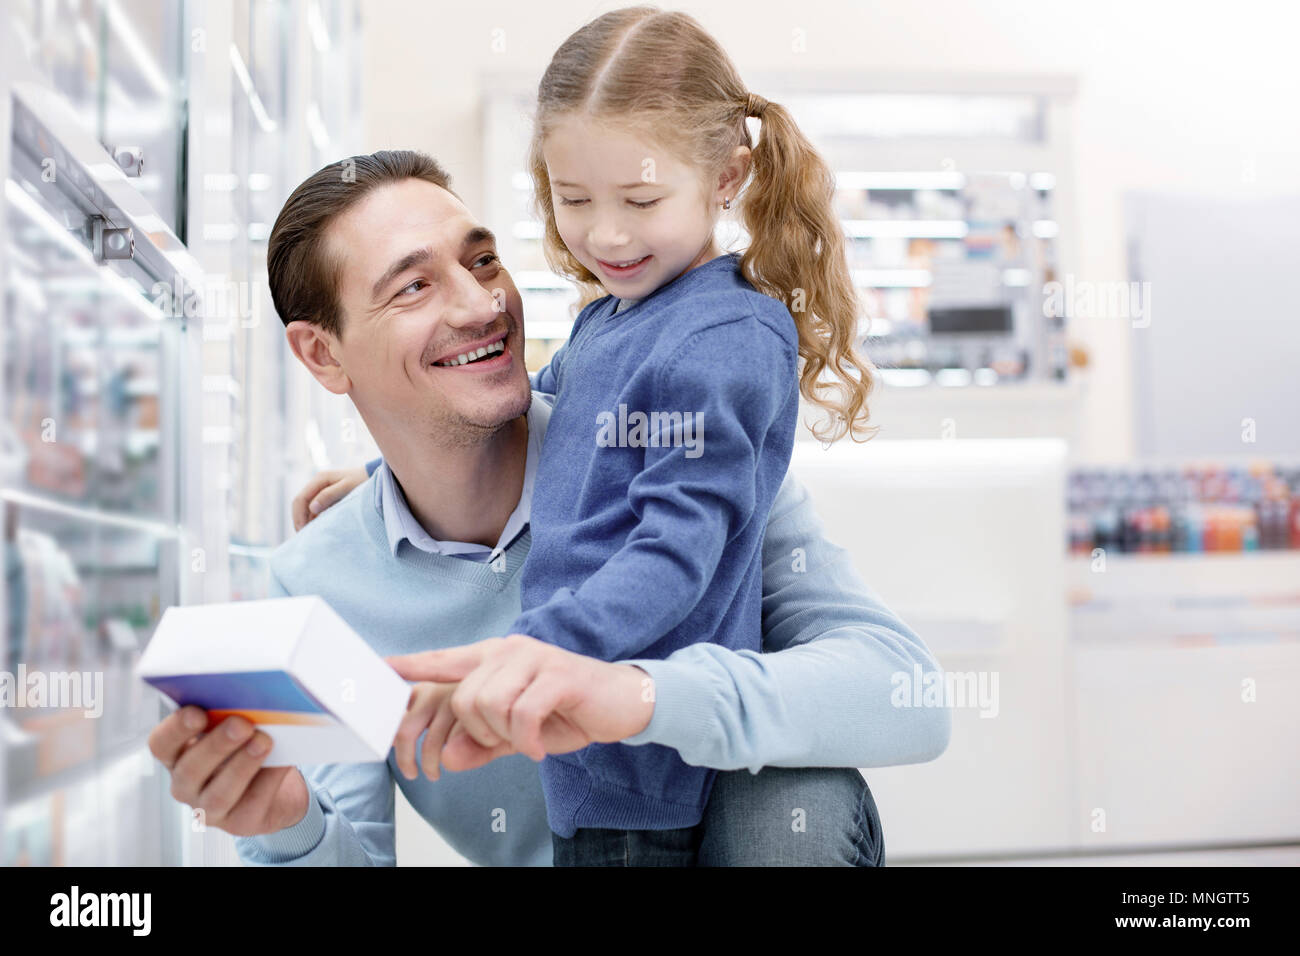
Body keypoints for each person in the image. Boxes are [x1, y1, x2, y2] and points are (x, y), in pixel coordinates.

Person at [147, 148, 950, 867]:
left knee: (788, 803)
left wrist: (639, 697)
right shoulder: (320, 584)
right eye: (416, 285)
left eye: (484, 260)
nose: (482, 305)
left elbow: (904, 692)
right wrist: (289, 825)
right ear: (323, 353)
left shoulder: (671, 453)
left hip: (743, 840)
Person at [382, 5, 881, 865]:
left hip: (654, 772)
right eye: (574, 199)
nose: (605, 234)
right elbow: (532, 413)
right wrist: (376, 478)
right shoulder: (612, 319)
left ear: (728, 176)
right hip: (590, 761)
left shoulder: (720, 338)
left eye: (641, 200)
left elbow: (677, 549)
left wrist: (540, 649)